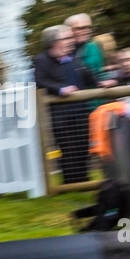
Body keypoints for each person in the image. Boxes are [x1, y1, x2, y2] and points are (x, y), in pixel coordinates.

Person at [34, 24, 97, 184]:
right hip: (61, 114)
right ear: (53, 41)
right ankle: (70, 183)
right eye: (66, 38)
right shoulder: (42, 60)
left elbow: (88, 77)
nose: (71, 41)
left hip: (81, 111)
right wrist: (61, 89)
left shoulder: (74, 58)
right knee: (68, 149)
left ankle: (84, 180)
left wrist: (102, 83)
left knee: (83, 147)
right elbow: (40, 81)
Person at [67, 14, 105, 80]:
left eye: (89, 27)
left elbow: (99, 72)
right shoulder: (60, 50)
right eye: (80, 28)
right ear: (68, 30)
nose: (87, 31)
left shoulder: (93, 47)